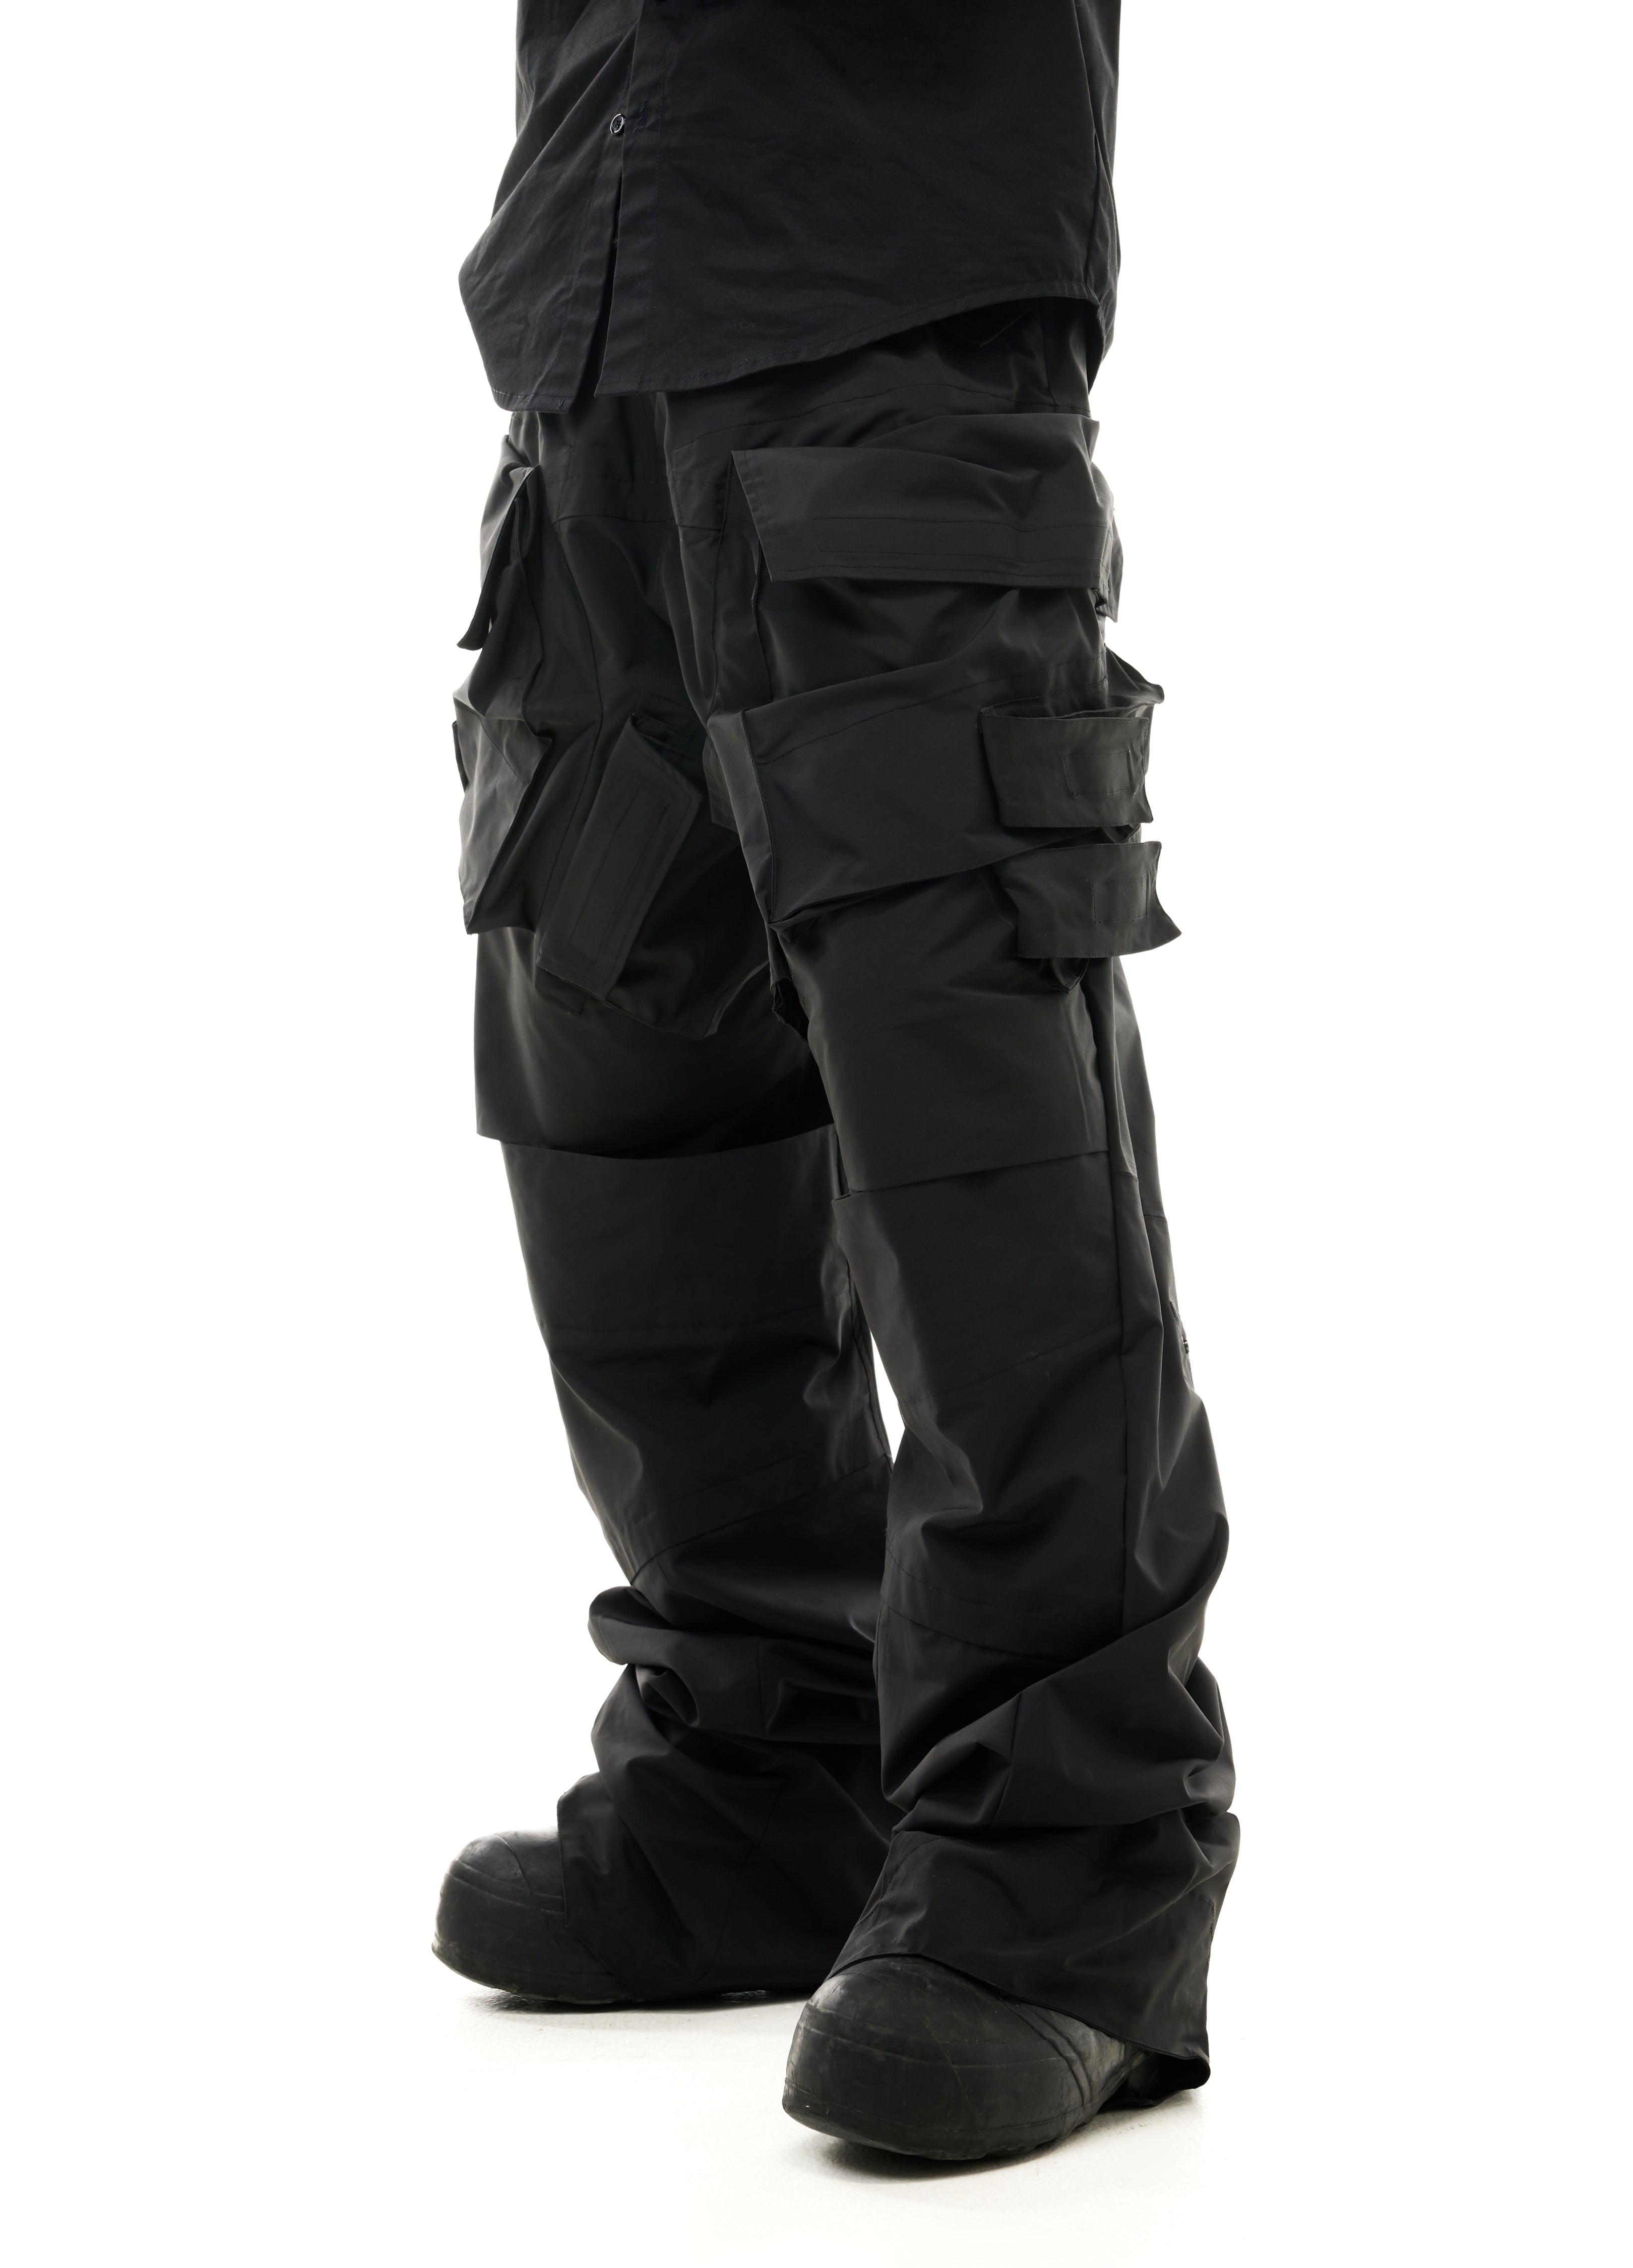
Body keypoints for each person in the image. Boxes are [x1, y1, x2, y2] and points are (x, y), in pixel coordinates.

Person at [433, 0, 1237, 2163]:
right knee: (611, 1025)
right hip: (595, 302)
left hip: (892, 286)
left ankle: (1074, 1869)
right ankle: (772, 1763)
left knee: (956, 1043)